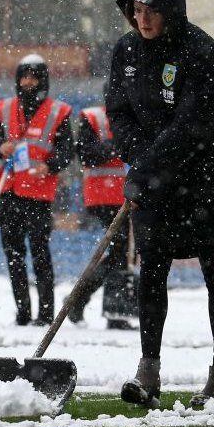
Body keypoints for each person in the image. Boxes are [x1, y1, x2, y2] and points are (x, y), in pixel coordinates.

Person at [106, 0, 214, 410]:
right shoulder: (125, 52)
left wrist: (145, 168)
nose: (142, 19)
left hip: (211, 178)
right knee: (151, 270)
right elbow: (119, 113)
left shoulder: (201, 52)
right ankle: (148, 372)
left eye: (150, 9)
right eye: (135, 10)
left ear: (171, 7)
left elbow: (193, 126)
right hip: (157, 180)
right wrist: (141, 162)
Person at [0, 54, 75, 326]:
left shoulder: (58, 112)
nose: (28, 82)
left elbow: (66, 152)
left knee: (40, 253)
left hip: (38, 194)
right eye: (24, 77)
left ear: (43, 80)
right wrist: (0, 148)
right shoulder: (4, 108)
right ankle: (23, 312)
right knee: (13, 255)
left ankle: (46, 313)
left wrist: (49, 166)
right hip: (9, 189)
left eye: (33, 77)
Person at [66, 104, 139, 330]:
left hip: (130, 194)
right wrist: (119, 146)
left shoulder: (139, 115)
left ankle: (90, 303)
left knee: (124, 252)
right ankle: (96, 306)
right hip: (105, 194)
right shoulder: (93, 117)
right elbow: (86, 154)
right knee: (122, 252)